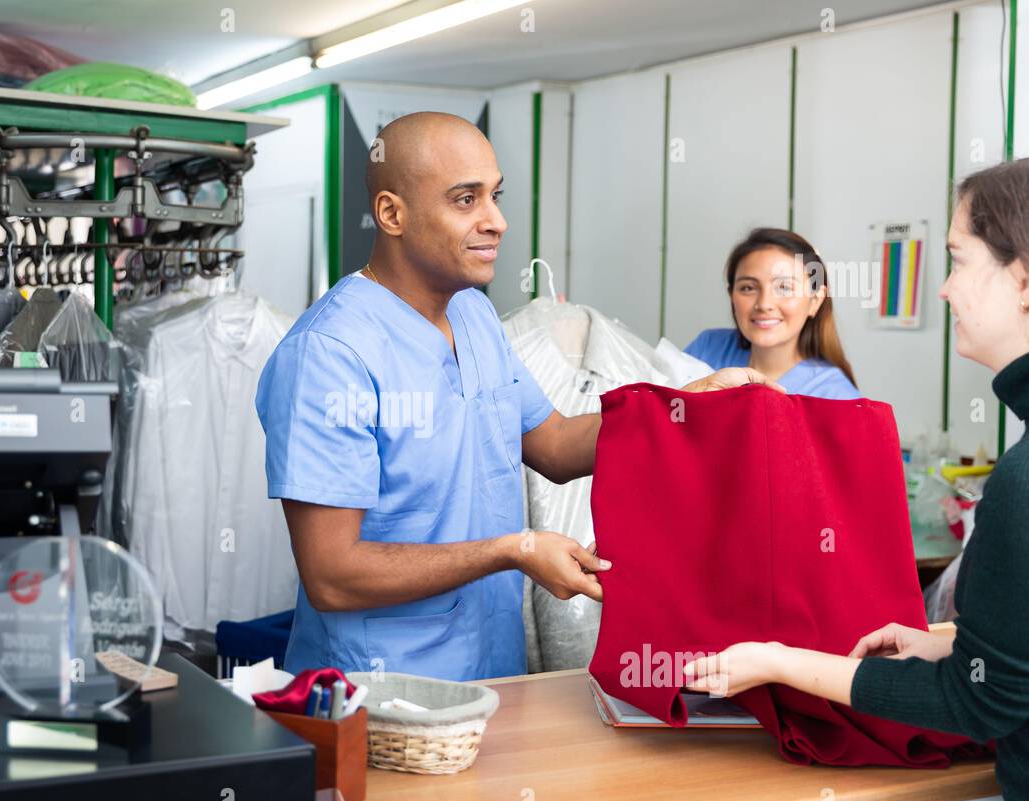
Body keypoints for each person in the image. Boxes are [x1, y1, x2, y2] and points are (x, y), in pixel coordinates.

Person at [255, 111, 778, 681]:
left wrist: (683, 405)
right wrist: (514, 550)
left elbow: (552, 443)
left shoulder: (473, 314)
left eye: (495, 196)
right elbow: (333, 575)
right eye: (465, 200)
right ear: (391, 213)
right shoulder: (329, 354)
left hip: (494, 675)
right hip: (377, 696)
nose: (497, 221)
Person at [683, 159, 1029, 801]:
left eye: (957, 260)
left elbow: (977, 704)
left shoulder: (1018, 480)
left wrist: (779, 661)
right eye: (747, 287)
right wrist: (953, 641)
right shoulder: (710, 354)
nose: (946, 291)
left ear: (1023, 281)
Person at [685, 227, 861, 398]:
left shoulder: (835, 395)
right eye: (748, 288)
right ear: (732, 295)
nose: (764, 304)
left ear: (815, 301)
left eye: (784, 288)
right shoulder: (707, 348)